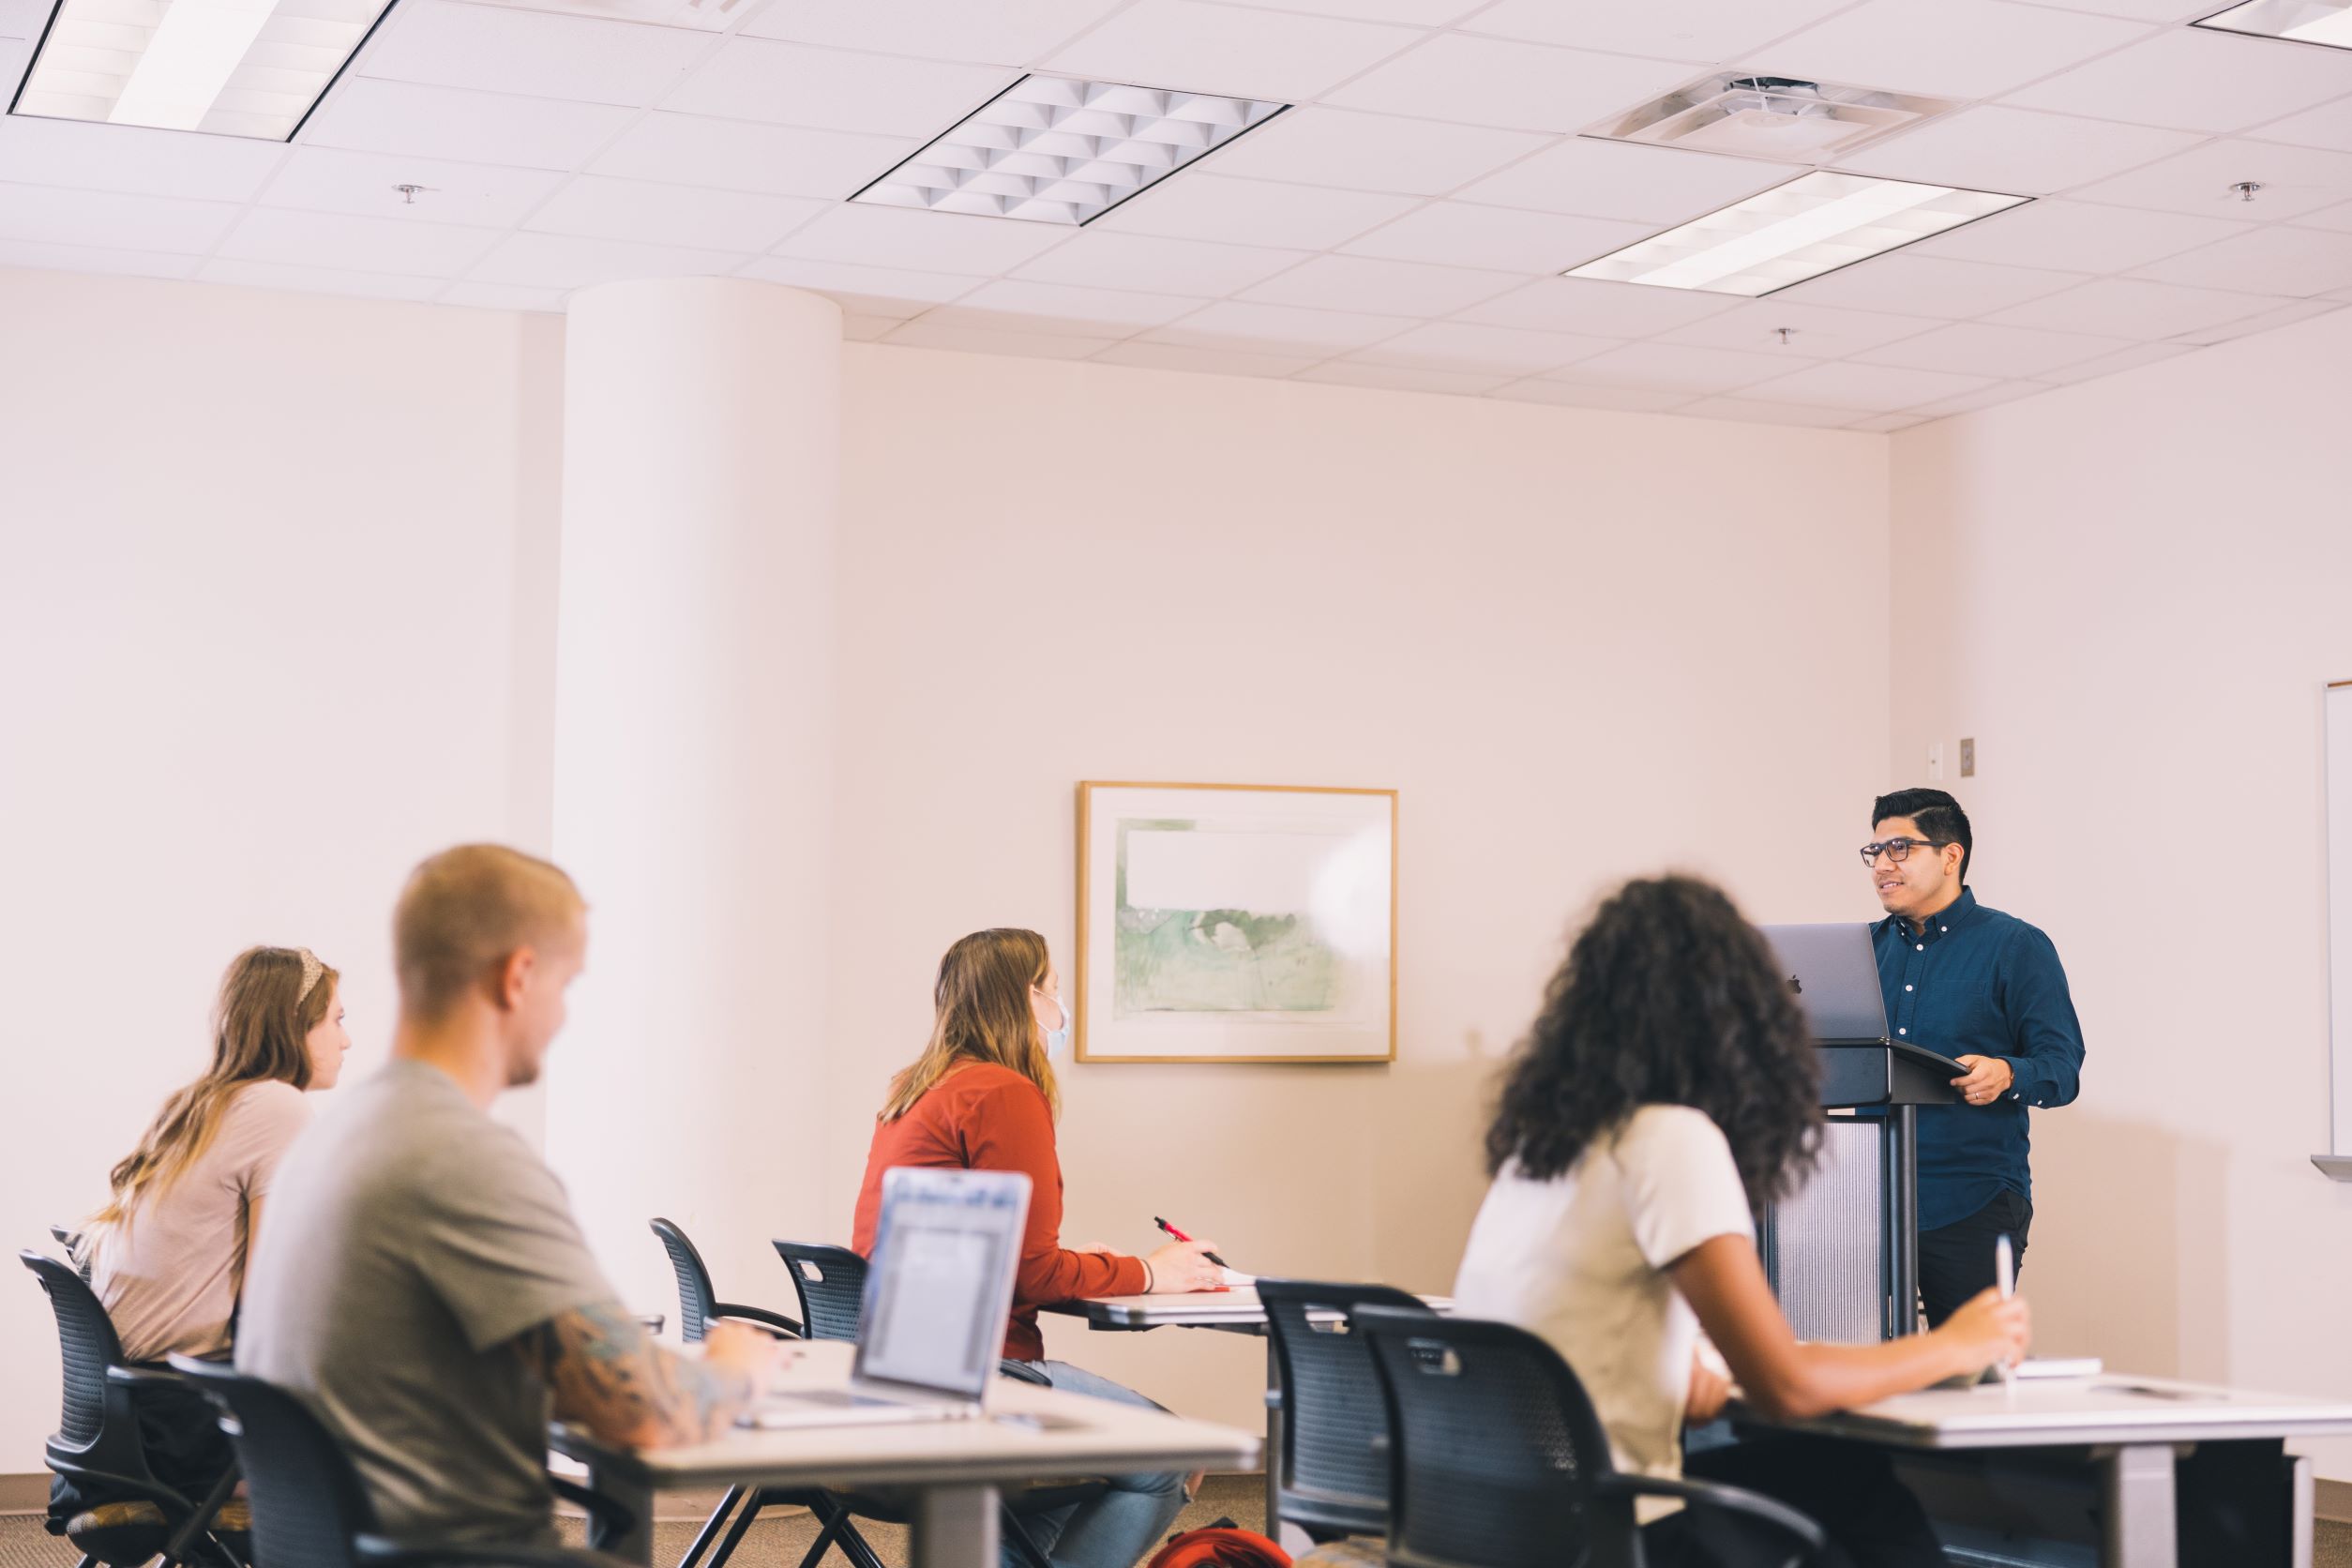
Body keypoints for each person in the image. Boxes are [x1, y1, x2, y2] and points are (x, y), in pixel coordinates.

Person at [1456, 876, 2031, 1568]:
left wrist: (1674, 1363)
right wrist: (1962, 1341)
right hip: (1616, 1530)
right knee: (1850, 1483)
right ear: (1732, 1014)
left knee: (1822, 1472)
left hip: (1514, 1522)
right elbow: (1787, 1386)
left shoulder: (1545, 1148)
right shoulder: (1668, 1136)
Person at [237, 845, 780, 1549]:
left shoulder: (334, 1140)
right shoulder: (460, 1156)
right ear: (519, 976)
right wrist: (736, 1371)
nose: (562, 1016)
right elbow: (645, 1412)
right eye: (567, 984)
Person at [851, 927, 1224, 1568]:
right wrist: (1151, 1273)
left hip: (902, 1368)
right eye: (1054, 991)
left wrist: (1084, 1265)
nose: (1060, 1008)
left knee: (1059, 1482)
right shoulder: (1003, 1092)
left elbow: (999, 1256)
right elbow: (1031, 1273)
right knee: (1176, 1456)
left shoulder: (918, 1088)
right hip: (981, 1373)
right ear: (1025, 997)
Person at [58, 946, 349, 1533]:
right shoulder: (277, 1105)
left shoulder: (197, 1104)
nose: (347, 1040)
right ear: (295, 1026)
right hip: (187, 1425)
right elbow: (271, 1302)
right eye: (338, 1019)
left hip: (123, 1422)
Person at [1865, 787, 2085, 1326]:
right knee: (1850, 1375)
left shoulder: (2015, 946)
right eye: (1874, 852)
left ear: (1950, 855)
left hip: (1970, 1199)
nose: (1881, 866)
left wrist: (2007, 1072)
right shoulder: (1861, 952)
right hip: (1861, 1202)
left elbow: (2061, 1068)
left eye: (1900, 849)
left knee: (1970, 1376)